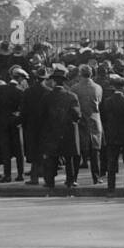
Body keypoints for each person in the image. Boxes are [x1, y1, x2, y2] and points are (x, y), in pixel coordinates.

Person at [40, 66, 81, 195]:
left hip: (51, 130)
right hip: (67, 130)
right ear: (64, 81)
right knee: (69, 157)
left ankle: (50, 181)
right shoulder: (71, 96)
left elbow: (42, 115)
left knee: (51, 157)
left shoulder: (47, 96)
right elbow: (77, 115)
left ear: (54, 81)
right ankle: (70, 180)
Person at [99, 75, 124, 197]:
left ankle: (111, 189)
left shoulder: (107, 101)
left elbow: (103, 117)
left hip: (112, 134)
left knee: (112, 162)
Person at [71, 64, 104, 185]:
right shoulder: (98, 88)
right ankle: (96, 177)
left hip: (80, 122)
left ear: (80, 74)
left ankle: (73, 178)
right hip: (95, 120)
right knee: (95, 152)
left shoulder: (74, 88)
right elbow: (99, 102)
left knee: (77, 151)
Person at [0, 67, 27, 182]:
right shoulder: (21, 91)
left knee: (5, 150)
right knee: (19, 151)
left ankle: (7, 175)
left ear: (11, 77)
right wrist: (18, 121)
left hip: (2, 122)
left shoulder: (1, 89)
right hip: (15, 123)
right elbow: (24, 110)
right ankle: (20, 174)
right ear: (20, 79)